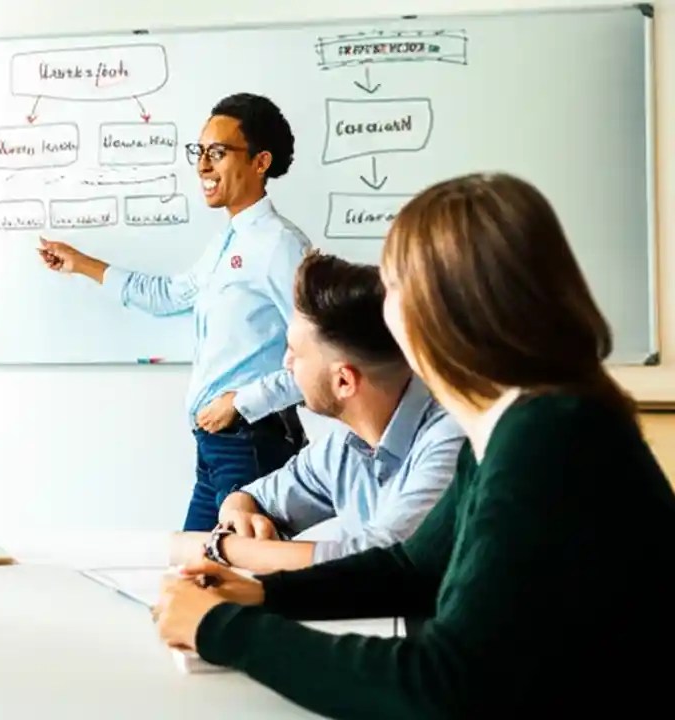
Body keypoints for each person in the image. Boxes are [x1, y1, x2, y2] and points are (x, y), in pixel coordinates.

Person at [153, 172, 675, 717]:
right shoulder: (517, 421)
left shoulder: (550, 439)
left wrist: (224, 630)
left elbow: (445, 685)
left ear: (443, 309)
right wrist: (263, 595)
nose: (386, 306)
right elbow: (411, 568)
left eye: (396, 286)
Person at [39, 93, 310, 531]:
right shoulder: (228, 242)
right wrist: (80, 263)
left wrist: (240, 403)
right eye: (199, 152)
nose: (202, 165)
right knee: (193, 575)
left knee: (229, 582)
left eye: (217, 153)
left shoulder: (280, 245)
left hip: (251, 441)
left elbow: (325, 358)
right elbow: (167, 296)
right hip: (216, 447)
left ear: (261, 162)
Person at [169, 251, 463, 573]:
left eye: (295, 352)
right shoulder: (346, 447)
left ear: (343, 381)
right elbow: (254, 496)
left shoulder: (451, 440)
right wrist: (239, 509)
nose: (286, 364)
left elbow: (382, 559)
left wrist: (223, 547)